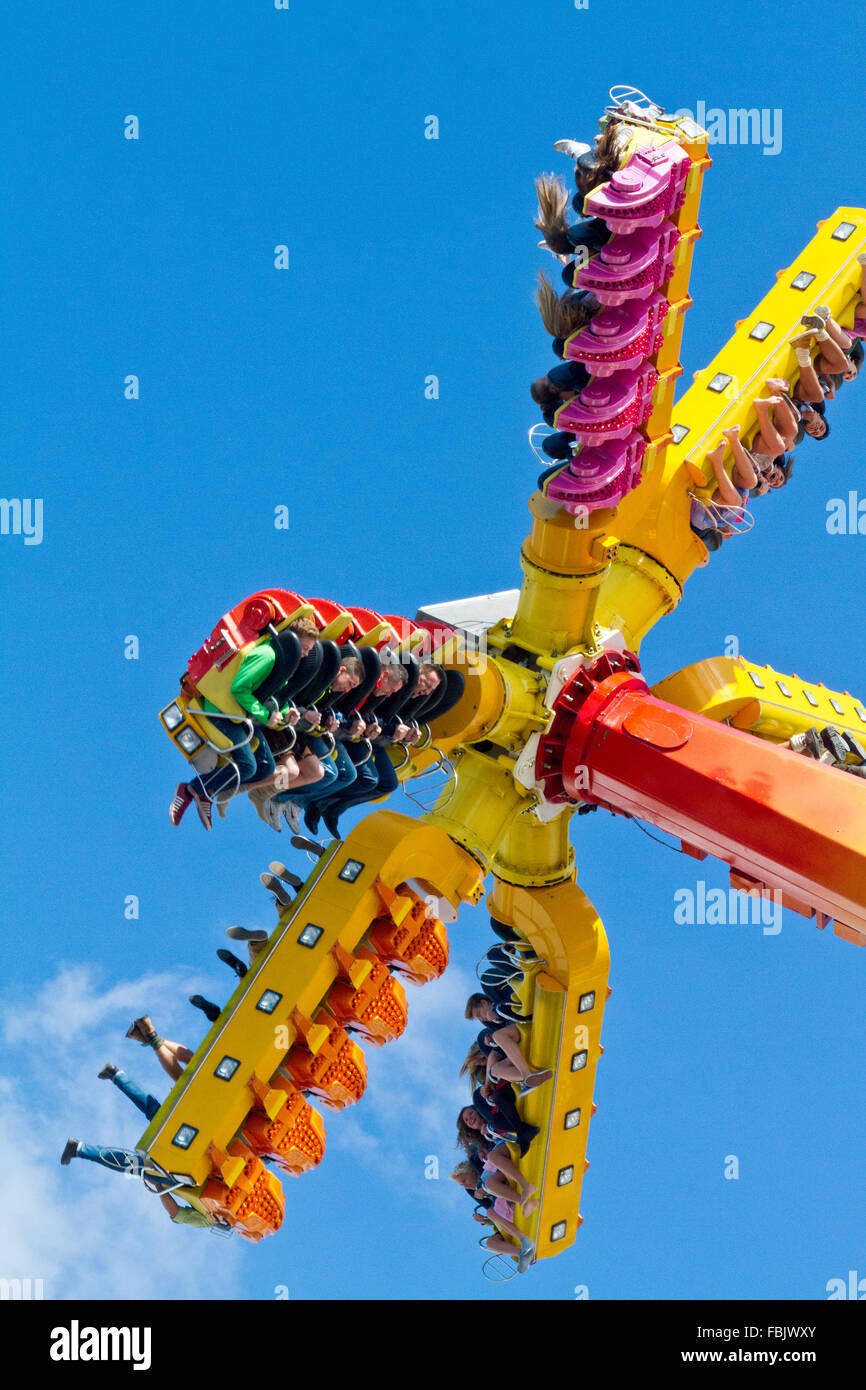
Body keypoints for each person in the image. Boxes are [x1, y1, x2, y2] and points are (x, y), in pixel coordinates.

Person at [169, 618, 319, 831]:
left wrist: (287, 713)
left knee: (266, 768)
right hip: (221, 711)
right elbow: (239, 689)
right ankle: (189, 789)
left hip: (240, 715)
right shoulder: (266, 656)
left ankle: (207, 792)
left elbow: (273, 695)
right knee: (248, 766)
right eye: (304, 648)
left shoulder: (284, 662)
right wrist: (266, 715)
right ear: (293, 641)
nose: (305, 655)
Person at [689, 428, 757, 547]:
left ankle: (716, 460)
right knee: (751, 482)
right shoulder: (736, 516)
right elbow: (744, 490)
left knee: (734, 503)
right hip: (722, 500)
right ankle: (733, 438)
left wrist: (719, 532)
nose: (731, 535)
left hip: (703, 514)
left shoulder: (713, 525)